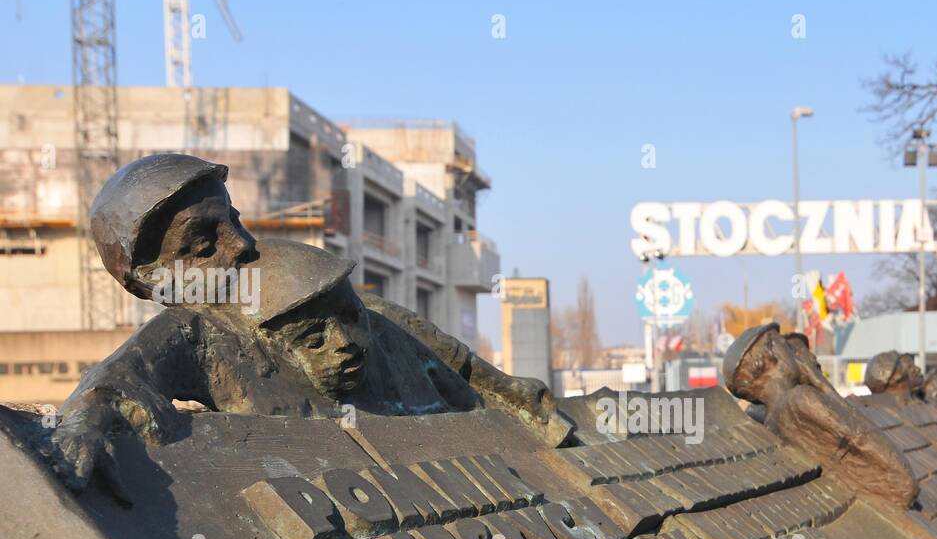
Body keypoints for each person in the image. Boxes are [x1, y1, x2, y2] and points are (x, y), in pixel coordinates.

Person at [54, 154, 570, 503]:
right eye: (205, 242)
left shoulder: (292, 281)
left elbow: (414, 336)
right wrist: (87, 420)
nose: (241, 246)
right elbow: (116, 381)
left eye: (234, 221)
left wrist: (502, 389)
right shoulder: (195, 332)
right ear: (152, 280)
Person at [723, 324, 917, 508]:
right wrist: (822, 384)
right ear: (769, 356)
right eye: (787, 348)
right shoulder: (800, 398)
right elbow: (899, 473)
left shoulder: (771, 424)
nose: (797, 354)